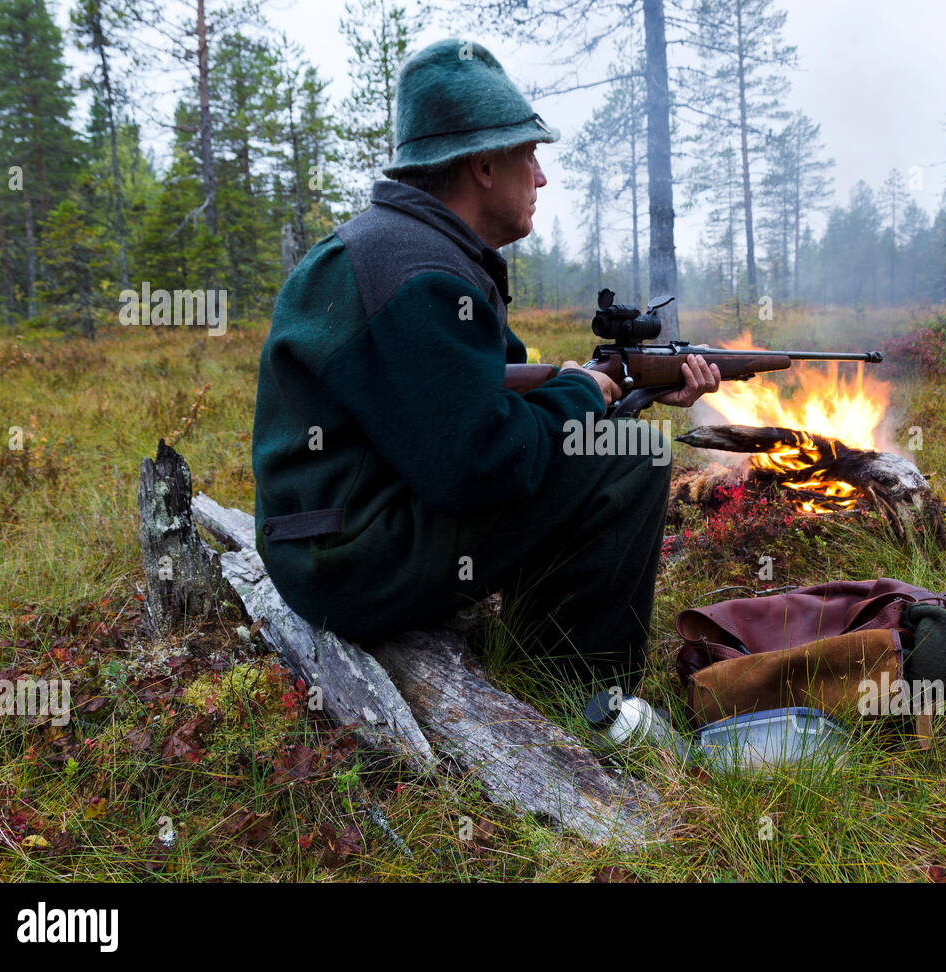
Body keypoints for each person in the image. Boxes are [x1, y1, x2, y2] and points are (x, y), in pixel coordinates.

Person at [251, 38, 720, 693]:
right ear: (482, 166)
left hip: (327, 536)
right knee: (631, 457)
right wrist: (586, 397)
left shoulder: (401, 252)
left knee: (607, 436)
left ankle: (538, 653)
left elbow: (489, 403)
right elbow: (480, 462)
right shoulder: (420, 275)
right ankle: (577, 697)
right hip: (344, 562)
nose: (541, 176)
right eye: (528, 155)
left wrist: (622, 387)